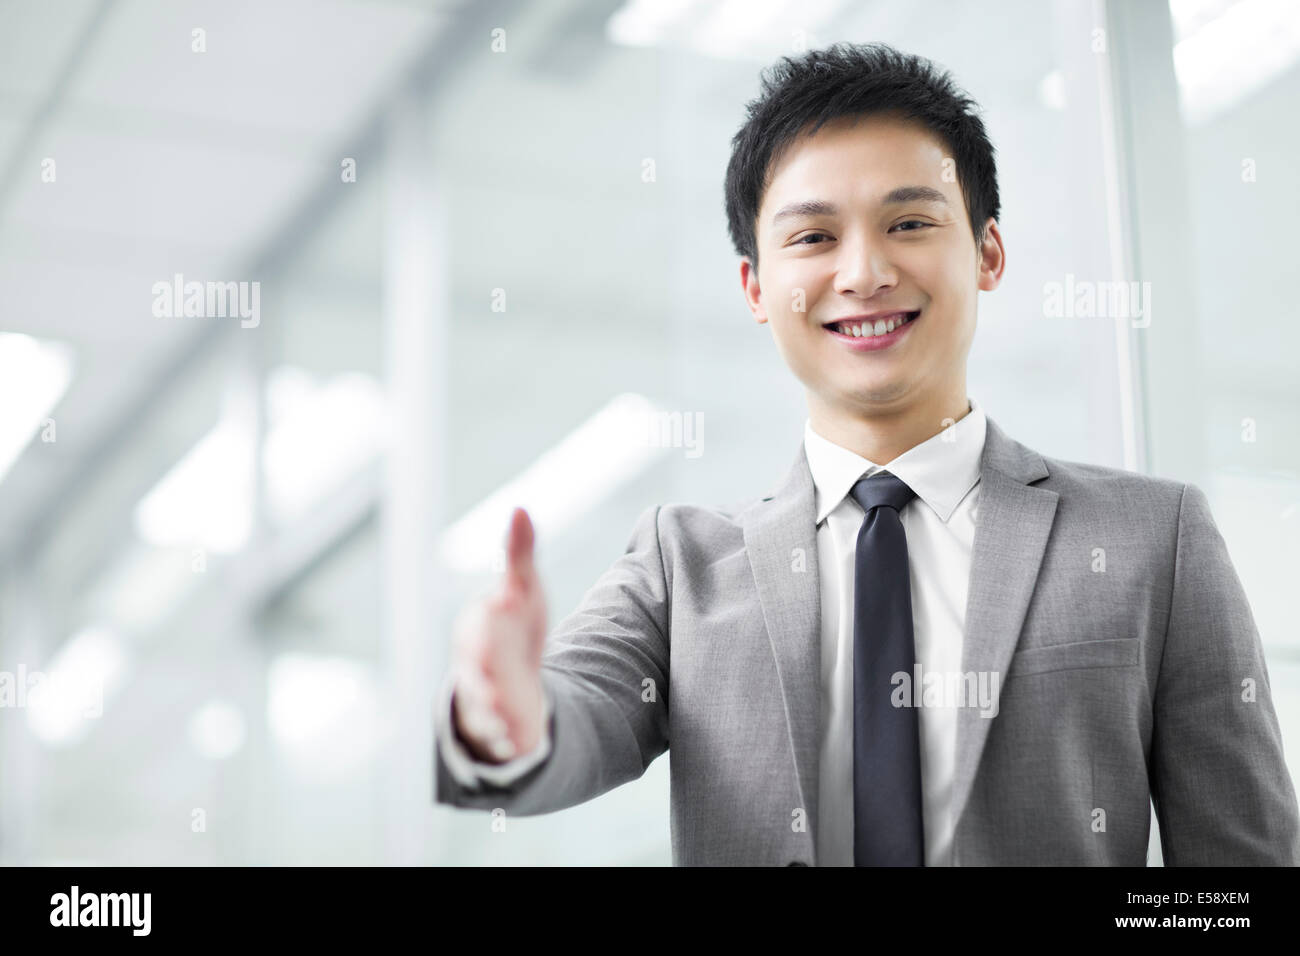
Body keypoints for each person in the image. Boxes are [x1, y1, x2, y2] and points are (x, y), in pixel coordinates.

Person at [432, 42, 1300, 866]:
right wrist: (502, 709)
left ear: (988, 250)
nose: (864, 272)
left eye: (910, 221)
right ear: (756, 289)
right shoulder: (680, 565)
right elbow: (569, 724)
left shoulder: (1154, 538)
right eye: (813, 238)